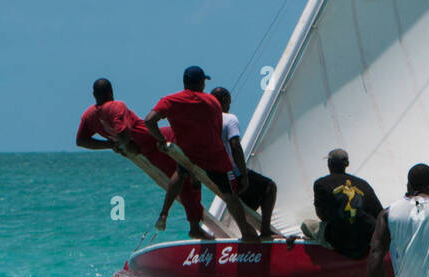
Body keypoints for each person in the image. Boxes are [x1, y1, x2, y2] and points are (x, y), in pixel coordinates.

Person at [76, 77, 209, 238]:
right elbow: (123, 133)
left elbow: (81, 141)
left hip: (148, 150)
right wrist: (123, 144)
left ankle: (187, 215)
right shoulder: (116, 106)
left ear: (93, 94)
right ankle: (188, 222)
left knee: (186, 174)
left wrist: (112, 145)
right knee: (186, 173)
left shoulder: (89, 115)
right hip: (152, 142)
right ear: (111, 92)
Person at [145, 66, 258, 241]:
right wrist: (242, 174)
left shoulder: (170, 101)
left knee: (181, 173)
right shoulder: (212, 102)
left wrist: (160, 140)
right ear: (202, 83)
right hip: (214, 157)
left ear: (185, 82)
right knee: (229, 195)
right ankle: (247, 232)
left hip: (188, 154)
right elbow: (216, 131)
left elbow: (149, 120)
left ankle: (164, 213)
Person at [210, 87, 279, 238]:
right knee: (269, 187)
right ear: (225, 102)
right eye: (228, 102)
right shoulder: (229, 119)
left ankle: (247, 231)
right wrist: (244, 174)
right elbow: (235, 146)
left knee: (244, 199)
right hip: (230, 171)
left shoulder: (203, 121)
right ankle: (265, 231)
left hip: (213, 173)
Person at [307, 149, 382, 259]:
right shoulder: (363, 184)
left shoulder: (321, 184)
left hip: (339, 238)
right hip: (366, 238)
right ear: (347, 164)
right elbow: (379, 213)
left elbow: (322, 215)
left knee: (306, 224)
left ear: (329, 164)